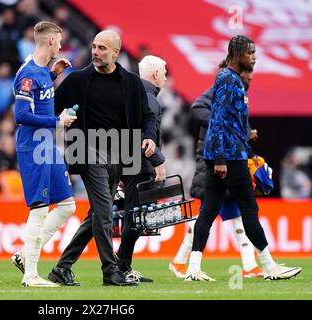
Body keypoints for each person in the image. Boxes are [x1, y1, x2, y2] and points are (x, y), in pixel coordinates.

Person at [47, 30, 165, 286]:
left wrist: (149, 137)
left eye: (102, 48)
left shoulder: (131, 82)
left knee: (97, 215)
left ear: (115, 53)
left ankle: (61, 268)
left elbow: (147, 116)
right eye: (94, 46)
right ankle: (110, 272)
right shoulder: (77, 80)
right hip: (86, 150)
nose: (95, 52)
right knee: (103, 212)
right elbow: (49, 105)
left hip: (122, 153)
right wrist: (50, 79)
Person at [185, 35, 301, 281]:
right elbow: (217, 121)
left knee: (208, 211)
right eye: (250, 53)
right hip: (227, 156)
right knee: (249, 207)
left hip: (228, 154)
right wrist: (219, 159)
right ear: (237, 54)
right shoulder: (229, 79)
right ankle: (270, 267)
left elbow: (230, 123)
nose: (254, 58)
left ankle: (193, 268)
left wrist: (247, 150)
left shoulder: (231, 78)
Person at [170, 66, 265, 279]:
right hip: (214, 162)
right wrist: (219, 122)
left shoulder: (238, 96)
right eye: (246, 72)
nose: (249, 76)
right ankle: (180, 261)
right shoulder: (218, 91)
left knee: (231, 215)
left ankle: (249, 265)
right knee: (209, 215)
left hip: (228, 161)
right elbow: (197, 108)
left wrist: (246, 134)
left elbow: (236, 128)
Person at [10, 21, 77, 287]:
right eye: (59, 41)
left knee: (67, 205)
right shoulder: (26, 73)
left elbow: (39, 97)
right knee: (39, 208)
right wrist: (58, 121)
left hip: (47, 146)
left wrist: (53, 75)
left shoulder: (40, 72)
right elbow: (21, 115)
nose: (60, 46)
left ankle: (24, 256)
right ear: (50, 41)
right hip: (33, 147)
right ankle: (30, 275)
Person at [115, 55, 168, 283]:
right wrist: (158, 162)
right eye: (164, 71)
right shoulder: (148, 97)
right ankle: (121, 267)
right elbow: (146, 136)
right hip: (140, 164)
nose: (165, 76)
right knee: (136, 217)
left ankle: (122, 266)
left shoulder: (134, 92)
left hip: (129, 161)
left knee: (134, 216)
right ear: (156, 74)